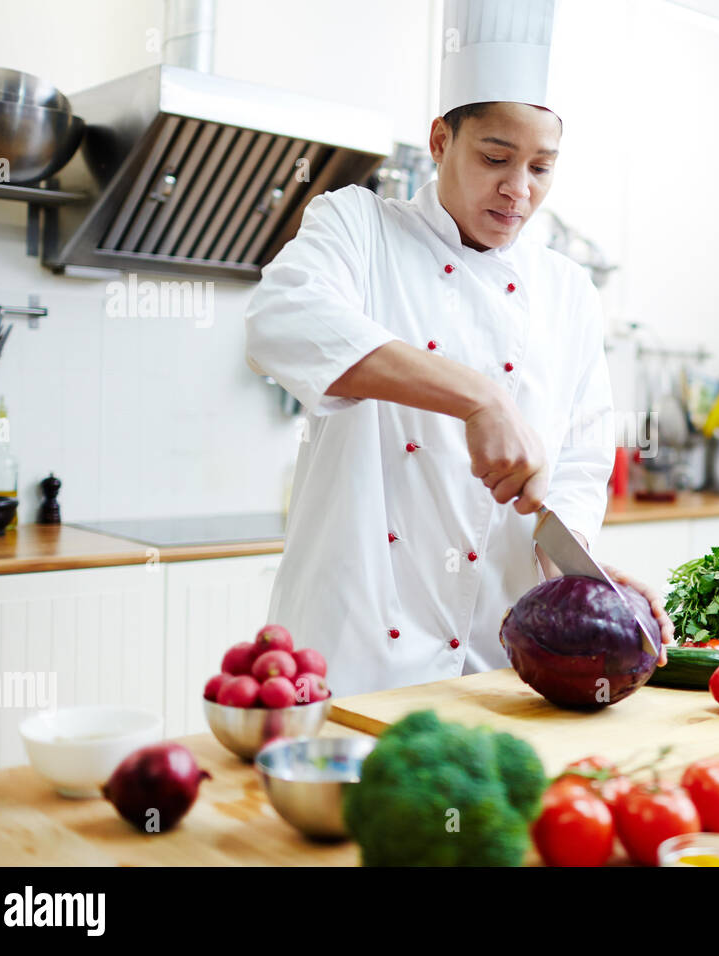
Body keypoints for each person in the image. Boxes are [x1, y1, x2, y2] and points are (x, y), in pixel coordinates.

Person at [244, 0, 672, 696]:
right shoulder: (360, 225)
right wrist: (479, 397)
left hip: (502, 654)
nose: (518, 190)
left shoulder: (568, 290)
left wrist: (577, 577)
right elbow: (281, 321)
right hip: (354, 648)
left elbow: (583, 462)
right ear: (441, 139)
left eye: (542, 166)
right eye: (495, 157)